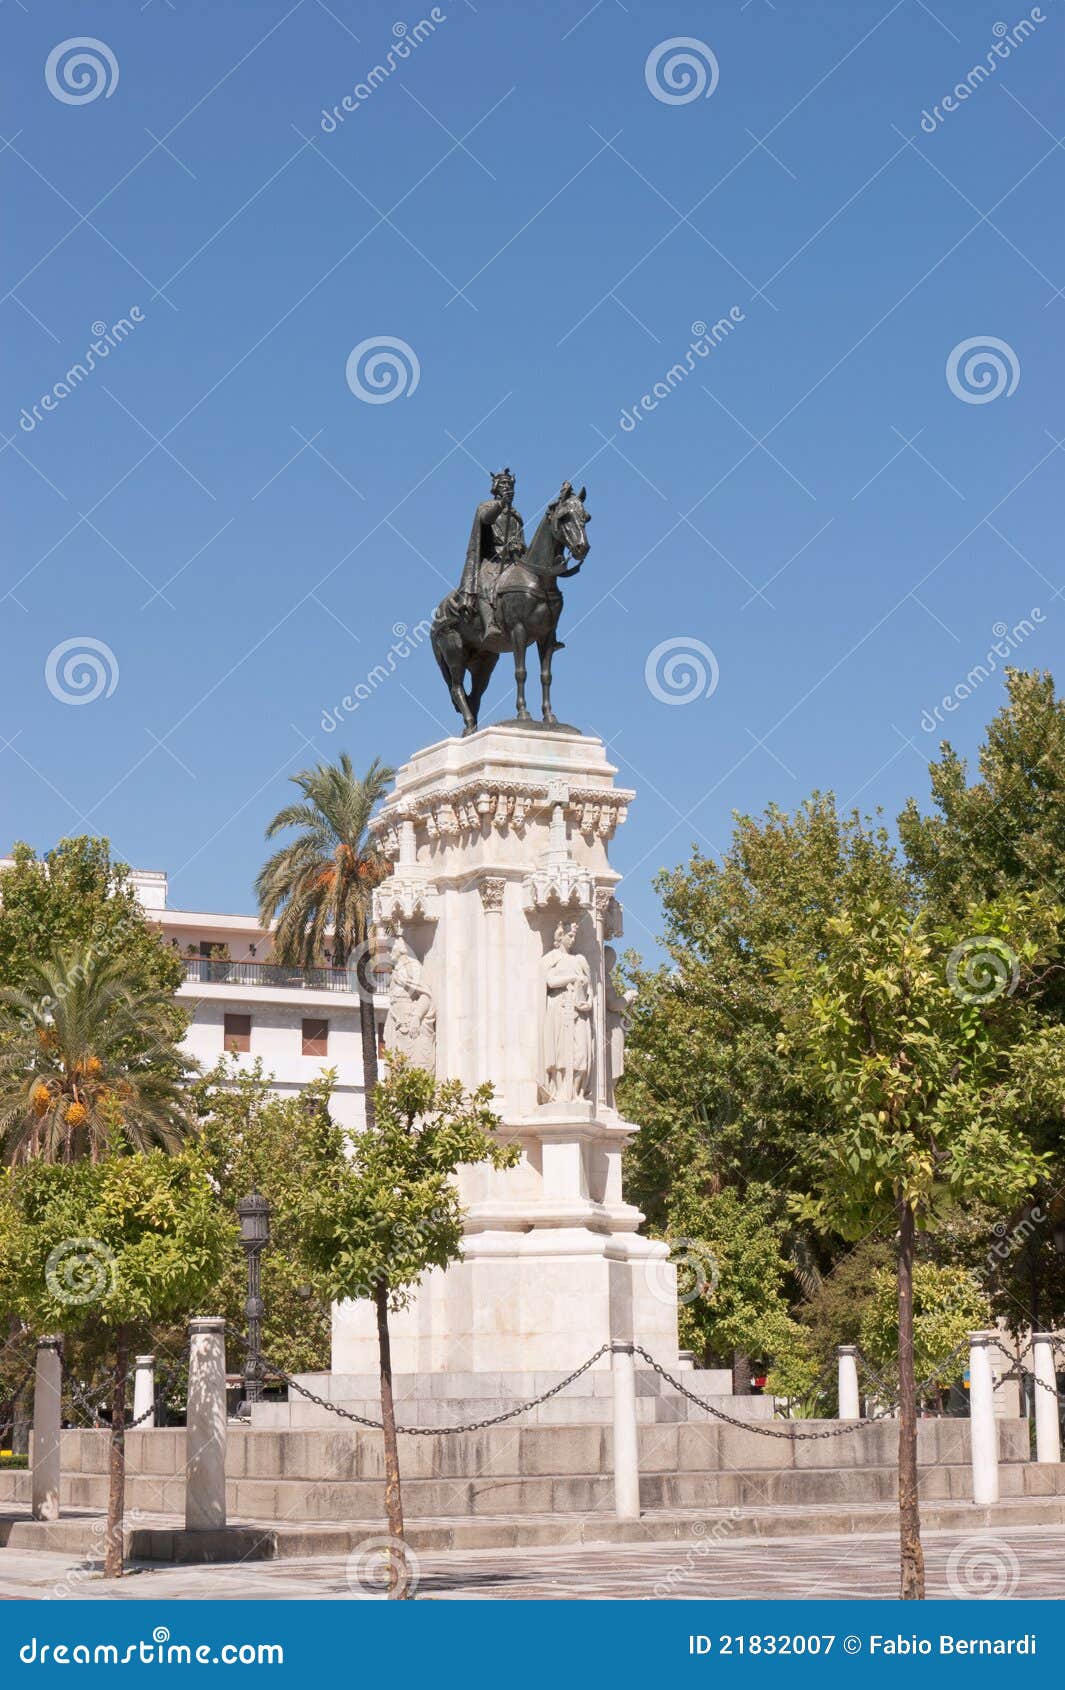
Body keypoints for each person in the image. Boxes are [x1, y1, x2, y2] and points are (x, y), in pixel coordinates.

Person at [457, 468, 527, 644]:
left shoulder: (516, 514)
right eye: (503, 484)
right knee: (487, 583)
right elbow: (487, 519)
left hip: (516, 560)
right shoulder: (486, 506)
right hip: (494, 559)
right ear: (495, 488)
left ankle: (547, 630)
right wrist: (501, 504)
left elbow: (521, 538)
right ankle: (490, 624)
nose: (507, 487)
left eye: (509, 484)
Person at [539, 921, 592, 1102]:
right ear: (560, 937)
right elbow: (549, 981)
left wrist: (589, 1003)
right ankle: (560, 1090)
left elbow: (590, 990)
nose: (572, 940)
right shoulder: (551, 958)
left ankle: (577, 1093)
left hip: (579, 1011)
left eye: (574, 936)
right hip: (559, 1008)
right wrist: (572, 978)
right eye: (570, 936)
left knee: (582, 1053)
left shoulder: (579, 960)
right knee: (561, 1051)